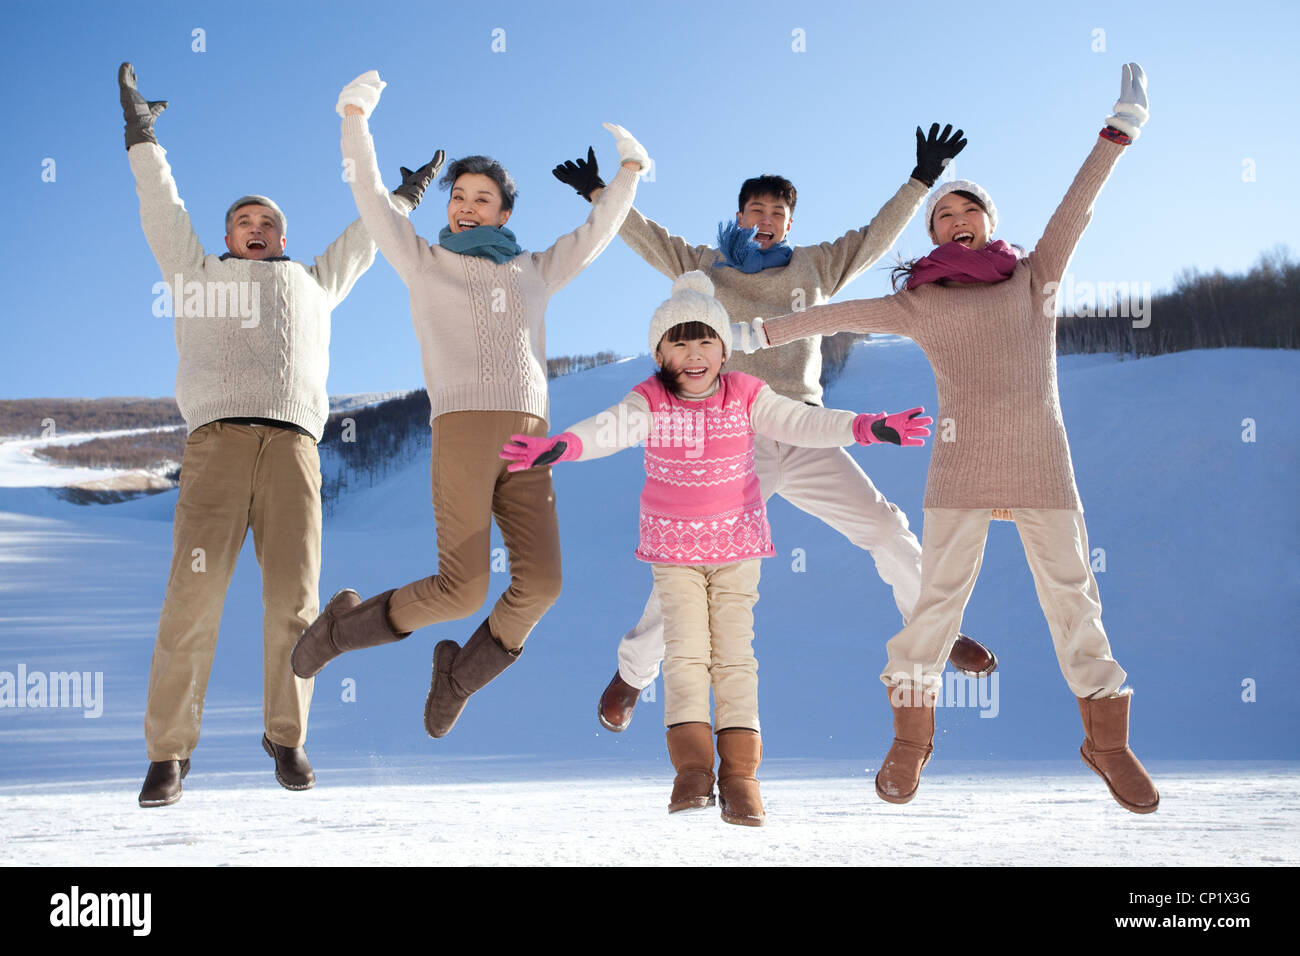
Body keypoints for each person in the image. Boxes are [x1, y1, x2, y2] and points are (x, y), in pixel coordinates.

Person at [759, 64, 1159, 814]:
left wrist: (1119, 131)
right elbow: (839, 314)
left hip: (1042, 463)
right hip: (961, 466)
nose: (954, 218)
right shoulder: (920, 304)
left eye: (966, 208)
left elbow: (1077, 207)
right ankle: (912, 742)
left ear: (989, 223)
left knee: (1074, 598)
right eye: (942, 214)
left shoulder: (1033, 278)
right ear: (934, 234)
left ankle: (1106, 741)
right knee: (936, 603)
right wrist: (767, 330)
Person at [552, 124, 995, 732]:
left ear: (790, 222)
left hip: (806, 429)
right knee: (696, 550)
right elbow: (642, 234)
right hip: (733, 434)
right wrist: (599, 190)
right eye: (756, 208)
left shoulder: (816, 266)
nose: (765, 218)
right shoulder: (703, 268)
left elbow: (873, 238)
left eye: (778, 211)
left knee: (885, 528)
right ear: (739, 213)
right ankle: (633, 674)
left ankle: (938, 634)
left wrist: (921, 178)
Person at [291, 72, 649, 740]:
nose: (466, 207)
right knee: (462, 590)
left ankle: (457, 677)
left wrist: (629, 170)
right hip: (461, 431)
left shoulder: (535, 270)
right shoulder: (423, 261)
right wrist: (353, 117)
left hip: (530, 441)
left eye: (482, 199)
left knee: (541, 585)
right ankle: (341, 629)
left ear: (504, 213)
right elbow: (370, 197)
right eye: (459, 197)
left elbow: (597, 233)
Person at [500, 272, 930, 825]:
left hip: (736, 550)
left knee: (733, 658)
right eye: (678, 342)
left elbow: (803, 420)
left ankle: (742, 777)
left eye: (705, 340)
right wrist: (562, 446)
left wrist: (867, 428)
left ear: (725, 349)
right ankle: (693, 772)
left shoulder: (748, 395)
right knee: (685, 657)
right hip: (675, 552)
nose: (693, 353)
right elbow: (611, 428)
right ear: (659, 354)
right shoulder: (651, 400)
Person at [120, 63, 434, 807]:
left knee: (294, 603)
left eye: (267, 223)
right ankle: (169, 752)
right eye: (243, 222)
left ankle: (286, 736)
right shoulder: (196, 274)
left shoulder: (313, 280)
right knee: (192, 598)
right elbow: (161, 209)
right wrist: (142, 137)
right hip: (218, 448)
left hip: (294, 450)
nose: (255, 229)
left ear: (283, 237)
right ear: (228, 236)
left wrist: (406, 196)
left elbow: (369, 237)